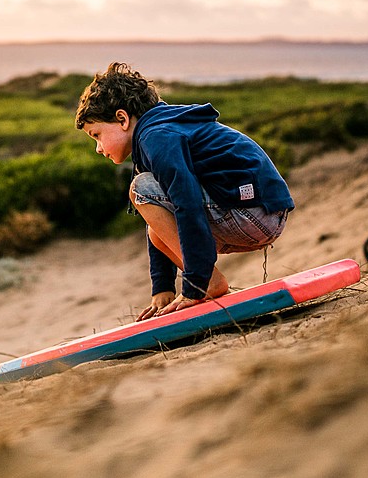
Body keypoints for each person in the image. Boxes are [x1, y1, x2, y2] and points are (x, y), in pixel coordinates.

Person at [75, 62, 294, 322]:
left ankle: (207, 281)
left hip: (251, 212)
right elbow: (163, 217)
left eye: (97, 135)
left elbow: (187, 202)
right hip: (261, 214)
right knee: (154, 224)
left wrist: (195, 284)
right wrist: (162, 287)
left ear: (122, 119)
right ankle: (198, 282)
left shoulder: (156, 136)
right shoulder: (158, 131)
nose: (99, 148)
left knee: (141, 189)